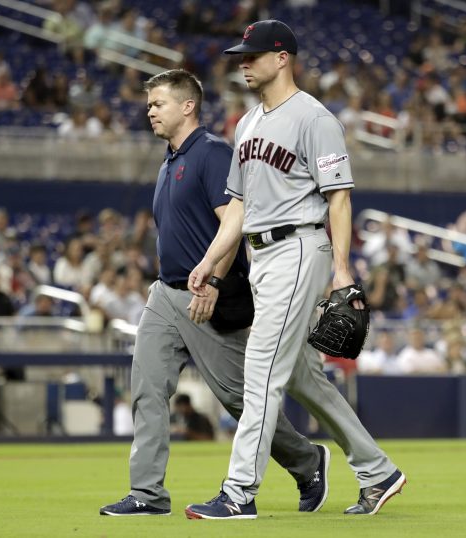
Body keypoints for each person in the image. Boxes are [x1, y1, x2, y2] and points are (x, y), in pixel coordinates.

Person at [185, 21, 404, 520]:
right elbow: (237, 209)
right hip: (262, 255)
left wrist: (343, 270)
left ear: (282, 58)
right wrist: (208, 262)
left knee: (261, 369)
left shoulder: (315, 118)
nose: (244, 61)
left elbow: (339, 197)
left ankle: (239, 492)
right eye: (241, 54)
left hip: (300, 247)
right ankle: (377, 470)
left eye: (253, 54)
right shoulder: (245, 123)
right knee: (305, 377)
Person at [99, 69, 329, 517]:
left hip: (208, 295)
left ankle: (306, 461)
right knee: (146, 388)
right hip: (166, 293)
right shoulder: (170, 159)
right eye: (149, 104)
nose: (149, 111)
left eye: (158, 103)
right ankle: (147, 492)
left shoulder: (211, 154)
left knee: (238, 398)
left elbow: (235, 221)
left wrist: (216, 282)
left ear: (188, 106)